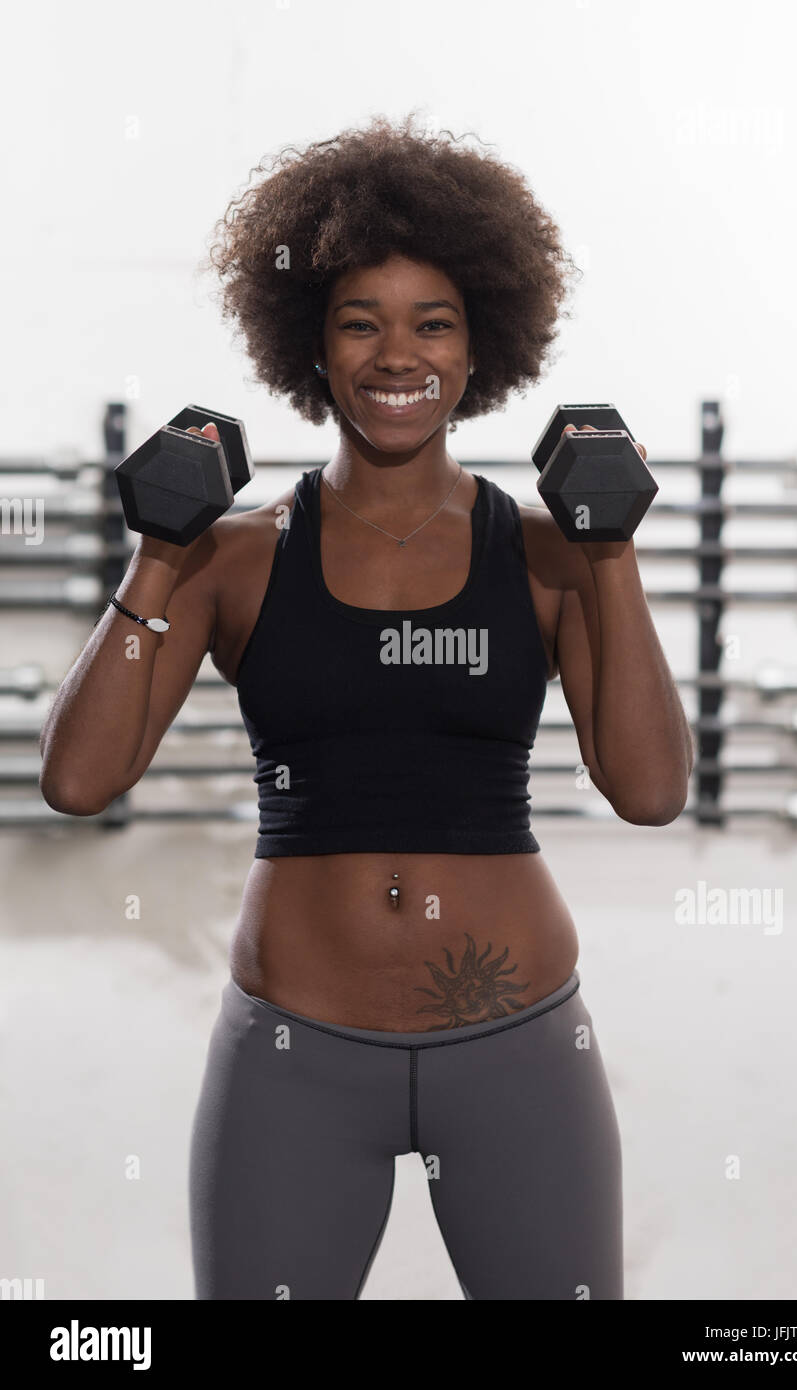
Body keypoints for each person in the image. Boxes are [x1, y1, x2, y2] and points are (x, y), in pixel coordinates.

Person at [39, 114, 693, 1300]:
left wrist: (612, 553)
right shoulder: (233, 557)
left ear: (480, 344)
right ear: (314, 347)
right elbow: (78, 780)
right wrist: (154, 552)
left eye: (433, 322)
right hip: (294, 1049)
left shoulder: (547, 554)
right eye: (362, 322)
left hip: (518, 1044)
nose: (400, 354)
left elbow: (649, 792)